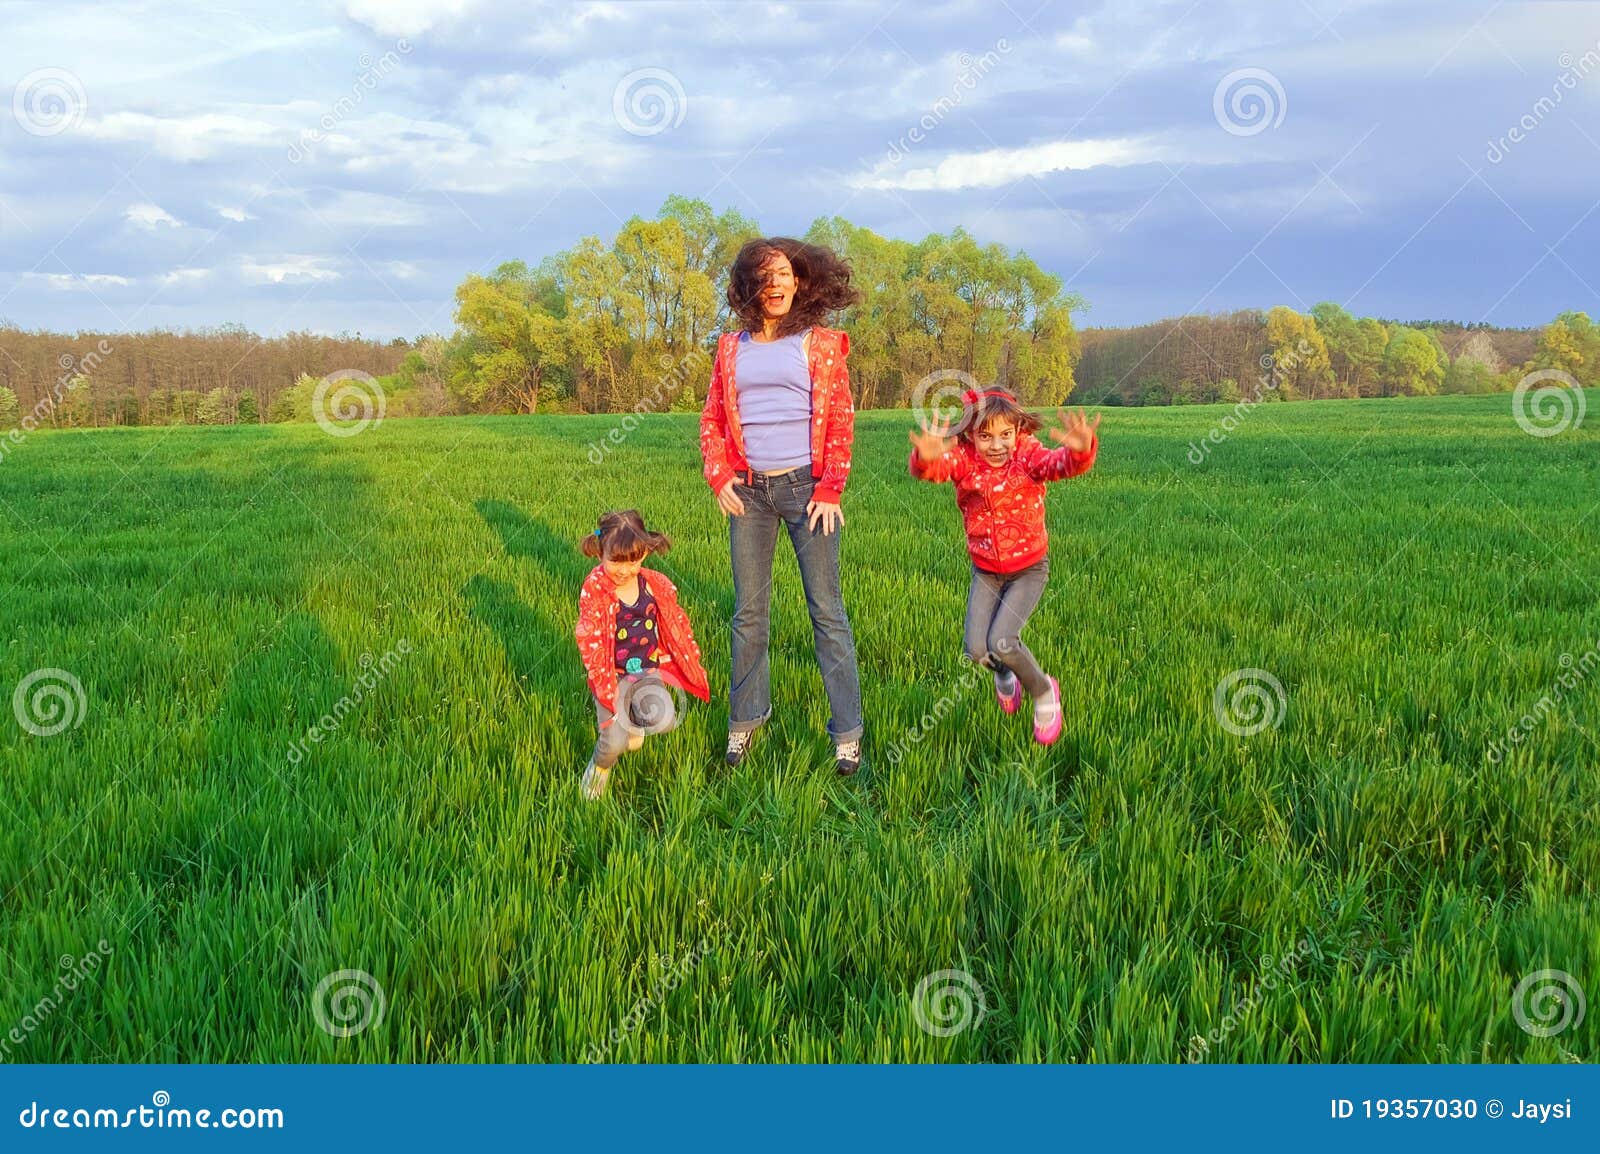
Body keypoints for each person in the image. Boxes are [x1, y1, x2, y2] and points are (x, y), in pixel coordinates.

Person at [699, 237, 866, 775]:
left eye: (784, 275)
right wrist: (720, 474)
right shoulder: (730, 347)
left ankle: (847, 736)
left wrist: (831, 487)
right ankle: (744, 724)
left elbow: (840, 419)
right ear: (749, 286)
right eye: (764, 276)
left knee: (827, 612)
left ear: (801, 282)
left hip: (806, 491)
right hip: (749, 493)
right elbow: (713, 421)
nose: (775, 285)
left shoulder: (819, 345)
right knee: (748, 614)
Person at [908, 387, 1100, 745]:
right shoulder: (965, 461)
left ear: (1018, 431)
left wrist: (1079, 452)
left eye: (1005, 435)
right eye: (985, 436)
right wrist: (926, 458)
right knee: (977, 651)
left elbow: (1057, 465)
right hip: (987, 572)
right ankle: (1004, 674)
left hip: (1028, 569)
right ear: (969, 435)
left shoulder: (1028, 456)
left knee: (1003, 640)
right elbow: (936, 468)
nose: (997, 445)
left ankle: (1043, 692)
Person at [573, 509, 709, 799]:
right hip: (613, 676)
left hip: (647, 672)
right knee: (613, 743)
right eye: (616, 561)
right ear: (601, 553)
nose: (624, 569)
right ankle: (598, 771)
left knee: (665, 720)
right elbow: (588, 636)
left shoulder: (653, 585)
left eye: (632, 561)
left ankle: (634, 723)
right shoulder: (596, 591)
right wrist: (604, 684)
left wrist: (677, 655)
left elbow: (674, 622)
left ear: (645, 553)